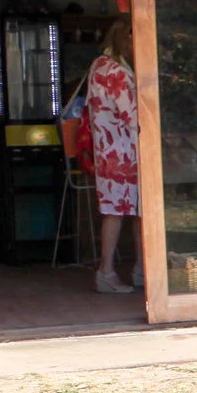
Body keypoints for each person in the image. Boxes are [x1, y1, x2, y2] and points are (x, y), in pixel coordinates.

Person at [82, 20, 143, 294]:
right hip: (124, 152)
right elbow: (133, 116)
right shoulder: (117, 72)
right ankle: (109, 271)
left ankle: (135, 269)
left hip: (106, 150)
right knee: (125, 212)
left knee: (116, 211)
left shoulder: (99, 65)